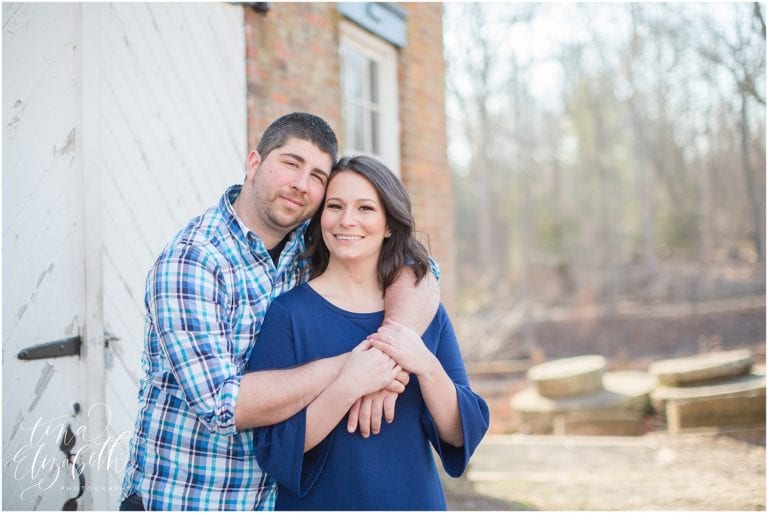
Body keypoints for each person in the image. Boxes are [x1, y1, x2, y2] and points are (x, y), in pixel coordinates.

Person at [119, 113, 440, 511]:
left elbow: (418, 269)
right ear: (254, 164)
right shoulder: (194, 262)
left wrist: (388, 352)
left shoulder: (312, 243)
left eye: (318, 177)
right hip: (190, 498)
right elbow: (223, 405)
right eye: (291, 164)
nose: (301, 185)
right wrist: (354, 367)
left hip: (276, 500)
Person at [246, 155, 489, 510]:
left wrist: (422, 363)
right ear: (320, 217)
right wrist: (348, 386)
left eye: (365, 208)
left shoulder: (423, 313)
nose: (347, 221)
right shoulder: (289, 315)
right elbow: (273, 449)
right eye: (335, 206)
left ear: (389, 223)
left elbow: (458, 434)